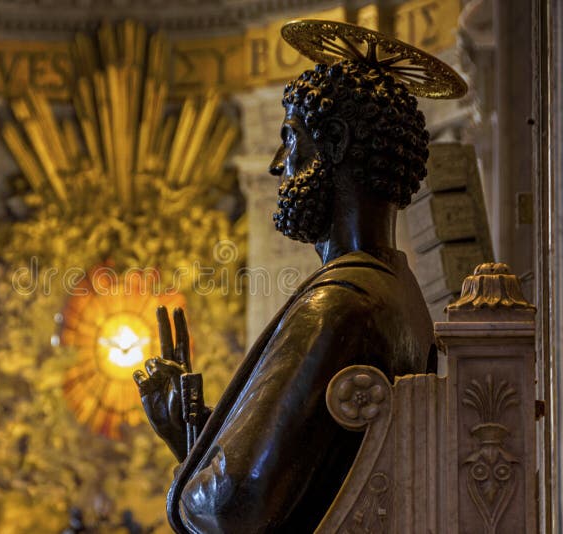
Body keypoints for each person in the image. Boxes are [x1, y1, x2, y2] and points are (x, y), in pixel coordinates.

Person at [132, 20, 466, 533]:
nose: (278, 164)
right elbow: (305, 474)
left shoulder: (337, 306)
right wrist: (189, 433)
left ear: (334, 141)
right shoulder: (399, 295)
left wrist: (190, 471)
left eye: (290, 139)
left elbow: (231, 506)